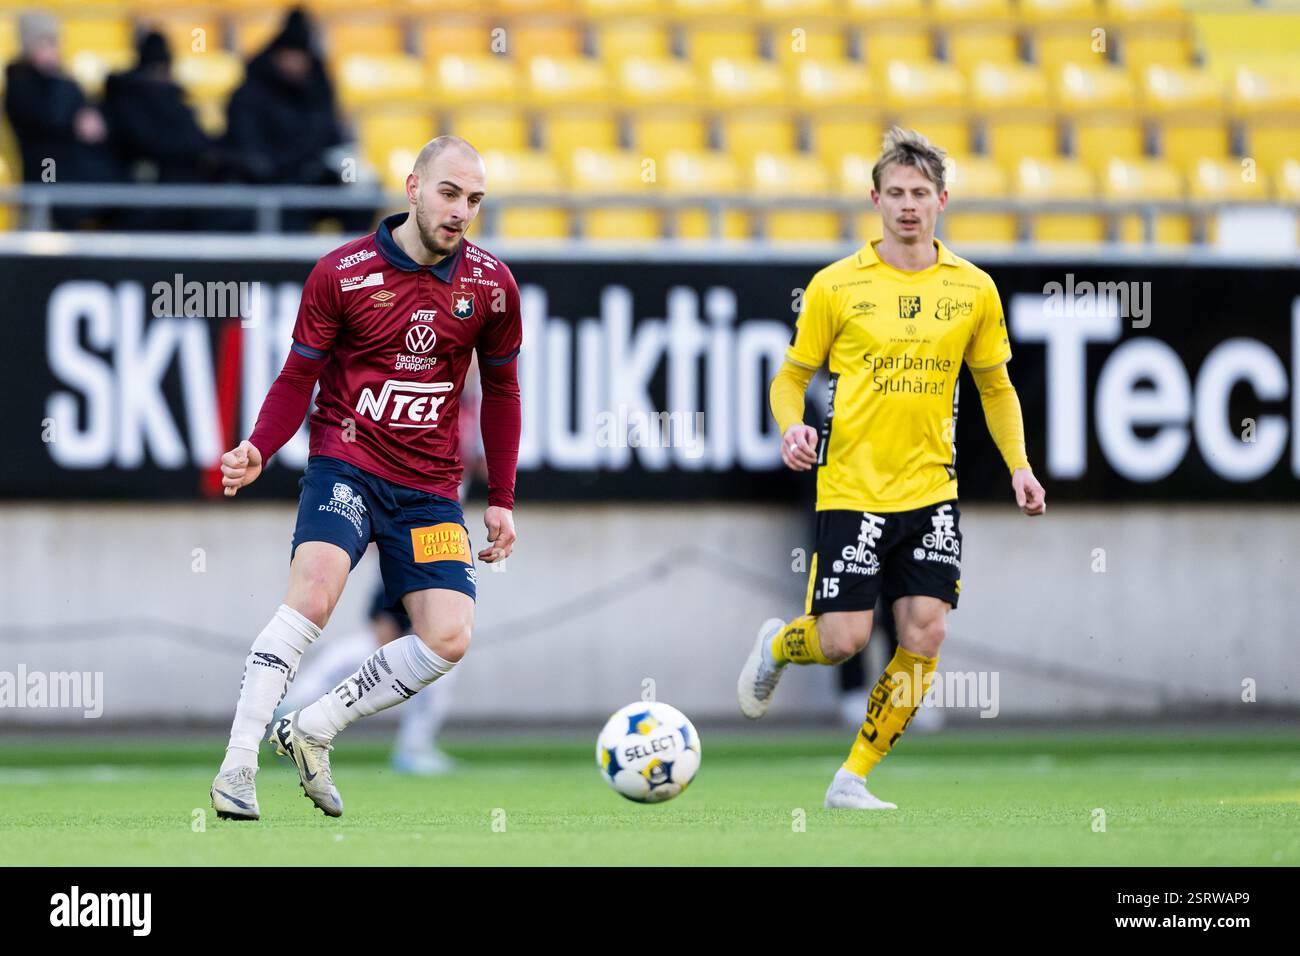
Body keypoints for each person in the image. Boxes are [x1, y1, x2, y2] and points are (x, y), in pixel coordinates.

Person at [209, 135, 522, 820]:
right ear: (412, 188)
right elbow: (299, 376)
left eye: (474, 200)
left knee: (449, 636)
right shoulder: (342, 273)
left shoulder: (492, 287)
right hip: (346, 466)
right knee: (314, 596)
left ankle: (316, 727)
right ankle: (237, 765)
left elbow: (502, 393)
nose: (461, 210)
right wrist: (261, 446)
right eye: (449, 193)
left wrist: (500, 498)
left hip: (432, 490)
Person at [736, 127, 1046, 810]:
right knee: (843, 639)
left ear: (942, 200)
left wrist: (1019, 466)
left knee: (926, 631)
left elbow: (995, 387)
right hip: (851, 486)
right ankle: (781, 645)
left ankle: (853, 777)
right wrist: (792, 424)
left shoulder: (973, 289)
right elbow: (791, 377)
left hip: (932, 488)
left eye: (921, 194)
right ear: (875, 199)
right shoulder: (836, 286)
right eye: (896, 194)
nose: (908, 205)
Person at [275, 587, 460, 776]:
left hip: (408, 646)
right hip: (378, 644)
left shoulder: (430, 586)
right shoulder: (395, 578)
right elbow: (382, 627)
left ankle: (413, 750)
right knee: (334, 660)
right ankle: (287, 719)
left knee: (442, 676)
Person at [224, 7, 372, 232]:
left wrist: (343, 171)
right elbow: (251, 152)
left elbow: (334, 139)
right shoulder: (250, 94)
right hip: (267, 186)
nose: (294, 63)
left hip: (312, 181)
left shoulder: (317, 91)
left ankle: (350, 264)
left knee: (363, 195)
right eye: (289, 56)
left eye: (300, 57)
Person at [101, 30, 238, 231]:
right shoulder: (133, 101)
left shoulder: (163, 99)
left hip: (174, 202)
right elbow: (159, 144)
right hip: (147, 204)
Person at [4, 13, 119, 228]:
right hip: (46, 170)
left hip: (71, 169)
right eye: (46, 42)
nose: (55, 49)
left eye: (55, 41)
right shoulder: (21, 83)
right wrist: (55, 78)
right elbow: (52, 118)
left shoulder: (60, 81)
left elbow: (87, 119)